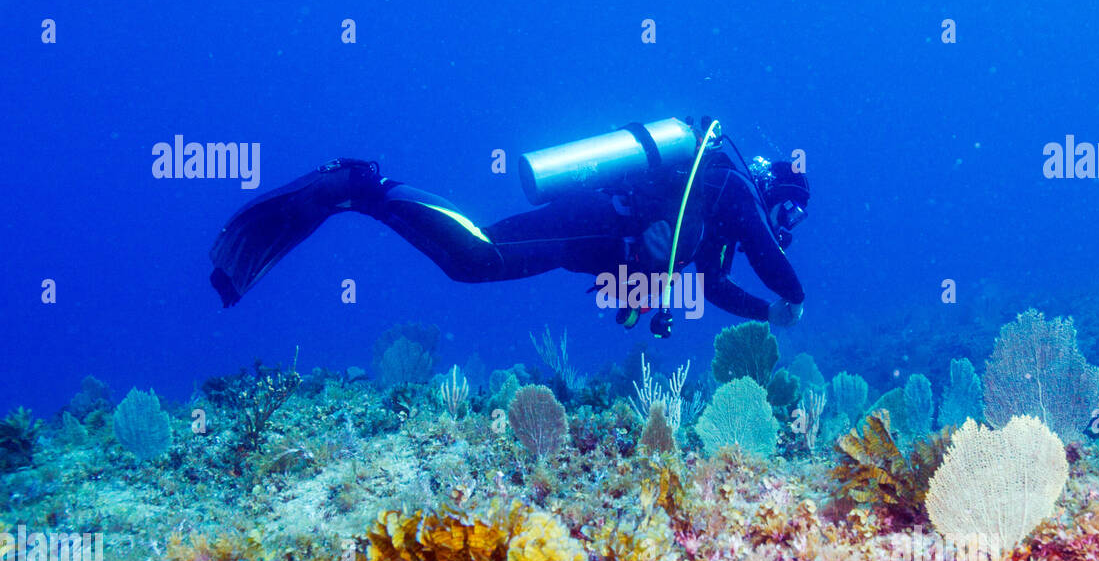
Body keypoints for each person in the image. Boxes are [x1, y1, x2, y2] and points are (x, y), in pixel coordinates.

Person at [208, 119, 808, 330]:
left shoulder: (717, 211)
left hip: (584, 235)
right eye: (790, 210)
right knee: (476, 259)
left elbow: (712, 286)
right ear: (773, 190)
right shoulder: (732, 187)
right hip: (589, 227)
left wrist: (766, 314)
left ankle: (358, 194)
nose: (786, 224)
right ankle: (362, 187)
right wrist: (794, 297)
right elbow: (765, 253)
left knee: (471, 257)